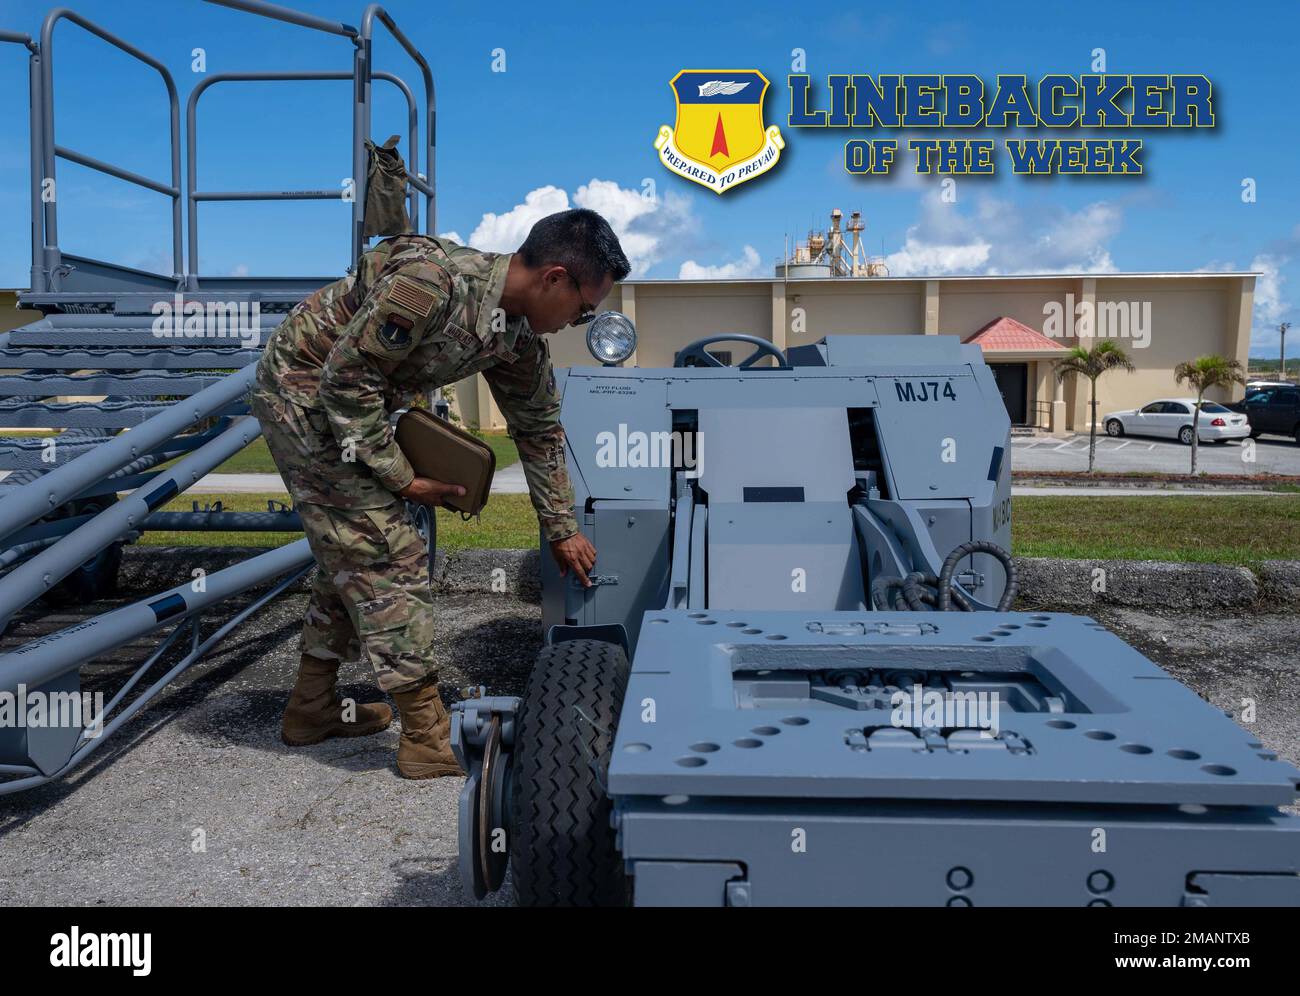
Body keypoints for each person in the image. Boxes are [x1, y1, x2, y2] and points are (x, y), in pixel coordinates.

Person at [248, 208, 631, 778]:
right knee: (386, 549)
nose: (579, 322)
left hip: (356, 409)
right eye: (583, 311)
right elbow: (345, 380)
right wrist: (403, 478)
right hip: (302, 395)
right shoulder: (432, 284)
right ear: (554, 277)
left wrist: (562, 528)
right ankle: (425, 735)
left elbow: (539, 429)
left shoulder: (518, 337)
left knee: (350, 557)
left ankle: (312, 707)